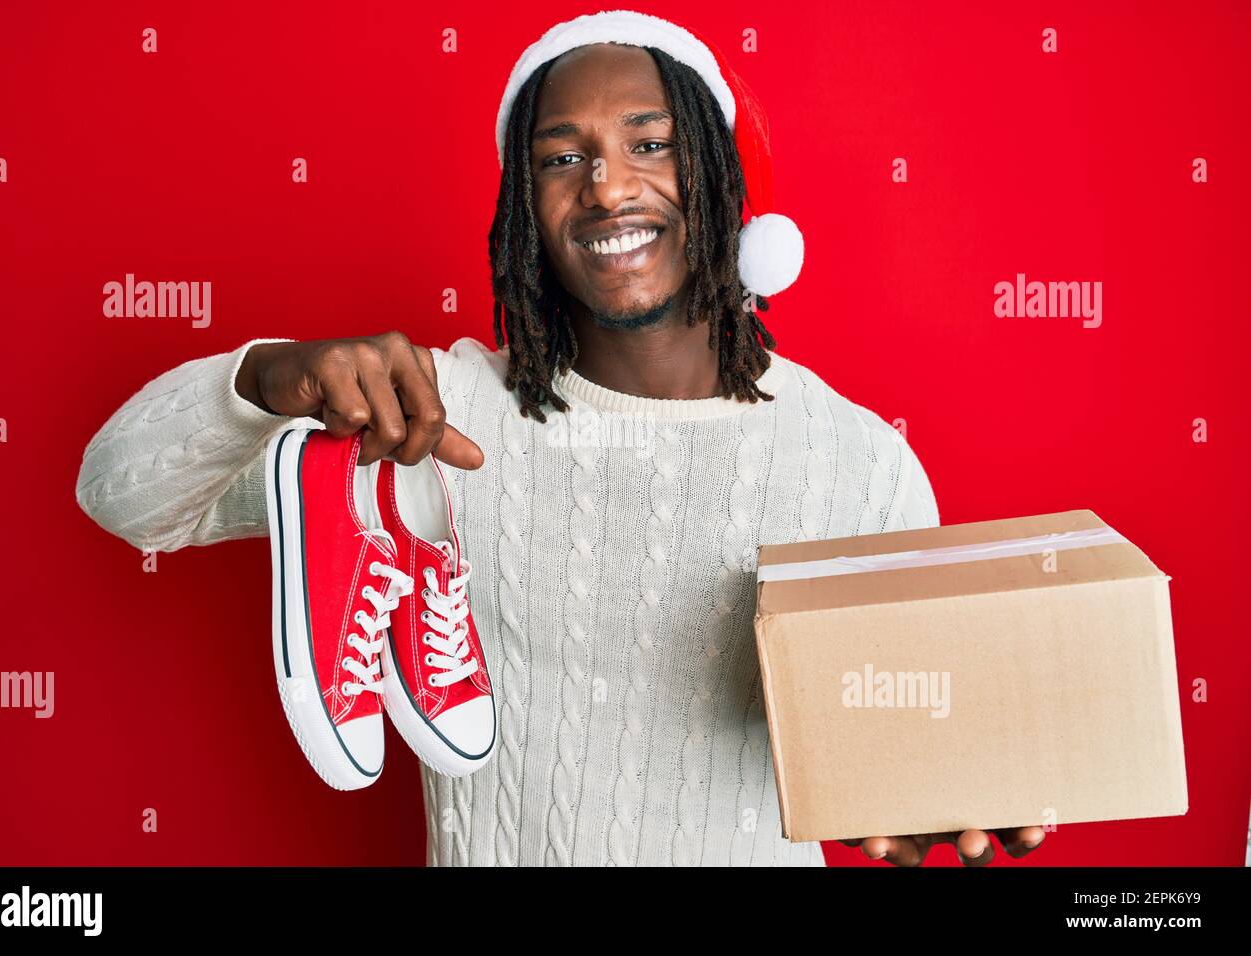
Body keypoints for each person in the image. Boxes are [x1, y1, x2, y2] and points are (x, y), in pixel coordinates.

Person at [75, 10, 1045, 867]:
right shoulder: (430, 414)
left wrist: (927, 785)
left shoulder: (857, 464)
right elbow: (122, 494)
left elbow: (893, 747)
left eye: (649, 143)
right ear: (522, 214)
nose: (605, 188)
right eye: (560, 156)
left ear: (716, 176)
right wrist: (263, 374)